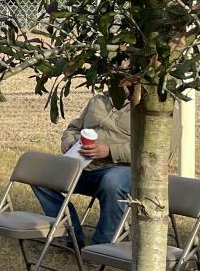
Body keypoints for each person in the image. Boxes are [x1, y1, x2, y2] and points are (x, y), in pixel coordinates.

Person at [32, 89, 178, 248]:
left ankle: (102, 246)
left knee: (112, 182)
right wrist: (68, 141)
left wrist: (110, 151)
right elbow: (74, 127)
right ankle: (69, 232)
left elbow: (160, 151)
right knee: (39, 171)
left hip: (122, 169)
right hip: (83, 164)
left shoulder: (157, 108)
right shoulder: (99, 100)